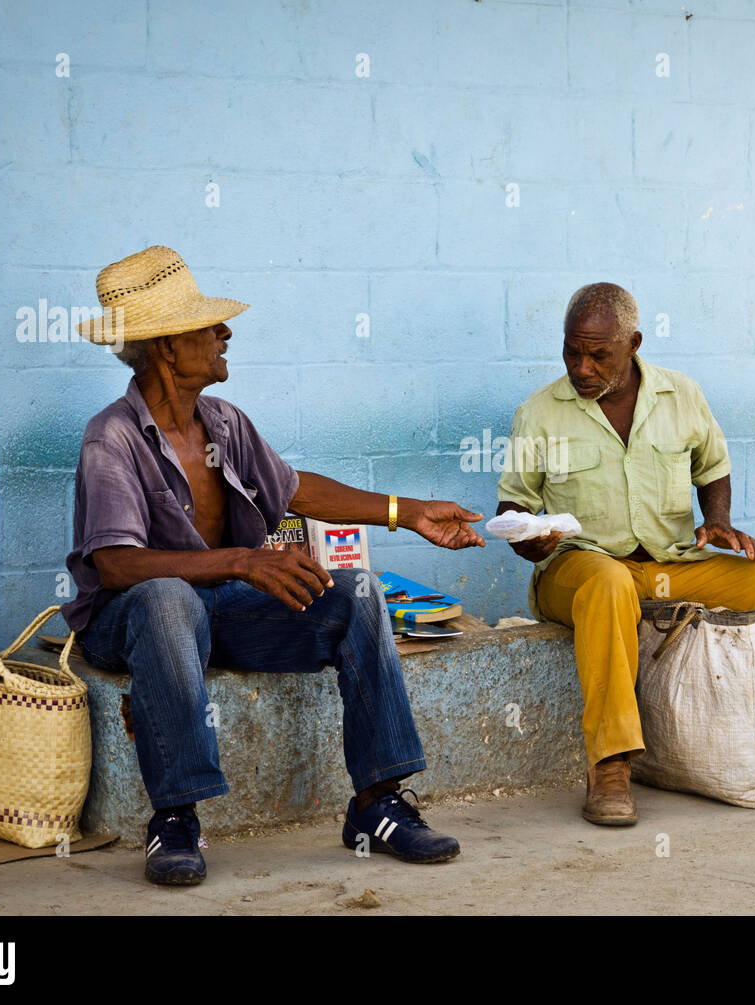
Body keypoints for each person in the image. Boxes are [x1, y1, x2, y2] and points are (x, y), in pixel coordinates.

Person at [62, 245, 486, 885]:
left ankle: (377, 803)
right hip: (133, 619)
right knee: (168, 599)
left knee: (356, 593)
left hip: (218, 611)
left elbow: (295, 491)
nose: (225, 333)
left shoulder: (224, 423)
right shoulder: (112, 437)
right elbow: (118, 566)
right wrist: (244, 561)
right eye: (209, 326)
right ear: (169, 348)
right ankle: (175, 817)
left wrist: (409, 509)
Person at [495, 283, 755, 826]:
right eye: (573, 351)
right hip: (578, 567)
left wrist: (718, 521)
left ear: (634, 343)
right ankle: (612, 764)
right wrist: (530, 538)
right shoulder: (540, 412)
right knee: (610, 582)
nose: (583, 366)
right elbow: (513, 505)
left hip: (671, 564)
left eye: (599, 354)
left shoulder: (680, 395)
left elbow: (712, 467)